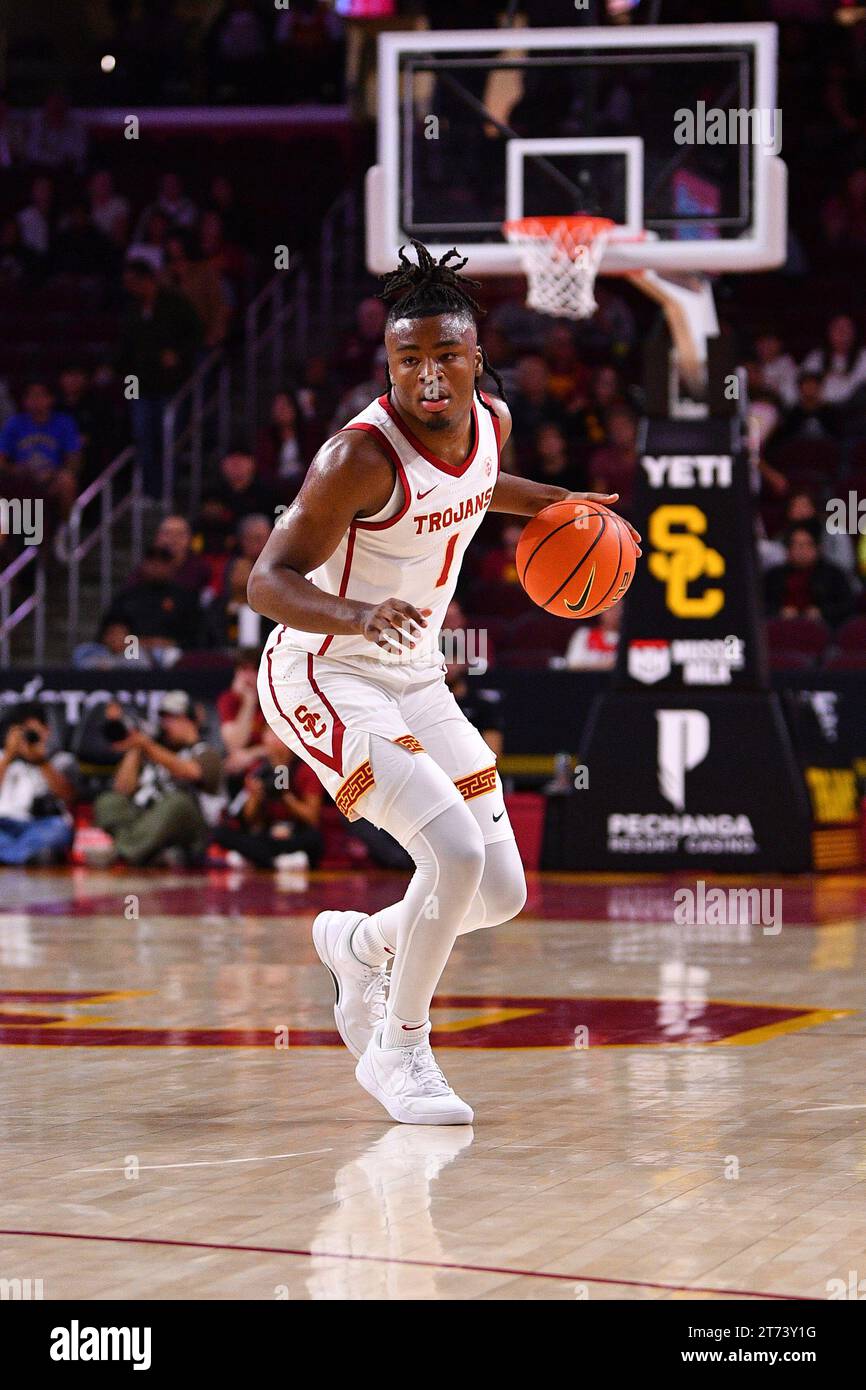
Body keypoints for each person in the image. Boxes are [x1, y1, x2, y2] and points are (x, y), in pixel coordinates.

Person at [248, 240, 640, 1126]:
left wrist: (558, 504)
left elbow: (476, 487)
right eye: (407, 358)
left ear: (476, 358)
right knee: (453, 856)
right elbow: (265, 583)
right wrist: (354, 616)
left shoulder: (492, 422)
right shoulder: (355, 459)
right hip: (325, 669)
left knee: (500, 890)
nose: (427, 374)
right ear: (389, 365)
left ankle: (358, 946)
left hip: (416, 674)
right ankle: (399, 1049)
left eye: (445, 355)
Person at [92, 692, 222, 866]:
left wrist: (147, 745)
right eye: (164, 718)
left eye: (173, 718)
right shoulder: (151, 749)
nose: (166, 724)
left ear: (190, 721)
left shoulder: (206, 752)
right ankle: (146, 852)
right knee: (109, 801)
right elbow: (122, 789)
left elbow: (189, 772)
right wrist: (135, 747)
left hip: (191, 828)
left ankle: (123, 852)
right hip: (147, 817)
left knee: (177, 803)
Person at [119, 259, 203, 496]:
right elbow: (125, 347)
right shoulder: (132, 309)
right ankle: (150, 491)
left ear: (148, 280)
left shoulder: (175, 303)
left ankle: (169, 490)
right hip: (141, 386)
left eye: (134, 282)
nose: (131, 288)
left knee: (169, 439)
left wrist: (178, 354)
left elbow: (196, 335)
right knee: (143, 439)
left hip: (170, 385)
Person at [213, 726, 323, 870]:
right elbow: (249, 819)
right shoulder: (259, 770)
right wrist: (255, 797)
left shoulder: (305, 769)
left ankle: (262, 859)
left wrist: (285, 796)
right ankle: (277, 861)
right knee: (220, 833)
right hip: (267, 834)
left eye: (278, 734)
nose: (274, 740)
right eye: (270, 733)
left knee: (314, 839)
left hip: (295, 833)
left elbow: (312, 818)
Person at [0, 704, 75, 865]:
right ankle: (24, 855)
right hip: (2, 825)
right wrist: (7, 757)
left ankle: (10, 856)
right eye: (21, 733)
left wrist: (41, 762)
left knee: (60, 829)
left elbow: (69, 797)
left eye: (32, 732)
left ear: (46, 731)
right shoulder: (2, 758)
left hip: (37, 826)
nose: (26, 738)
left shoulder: (60, 760)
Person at [0, 379, 81, 517]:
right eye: (31, 396)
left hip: (52, 478)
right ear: (24, 401)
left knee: (67, 481)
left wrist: (56, 473)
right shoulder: (14, 423)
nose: (36, 401)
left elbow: (74, 459)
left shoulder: (64, 422)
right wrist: (14, 470)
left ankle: (64, 532)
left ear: (51, 399)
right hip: (21, 478)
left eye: (40, 396)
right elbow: (1, 458)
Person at [764, 522, 854, 628]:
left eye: (807, 545)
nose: (801, 551)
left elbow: (847, 606)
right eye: (796, 545)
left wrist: (822, 612)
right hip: (780, 629)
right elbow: (761, 605)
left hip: (825, 630)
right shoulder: (773, 576)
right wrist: (780, 612)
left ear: (818, 548)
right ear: (788, 549)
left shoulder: (834, 574)